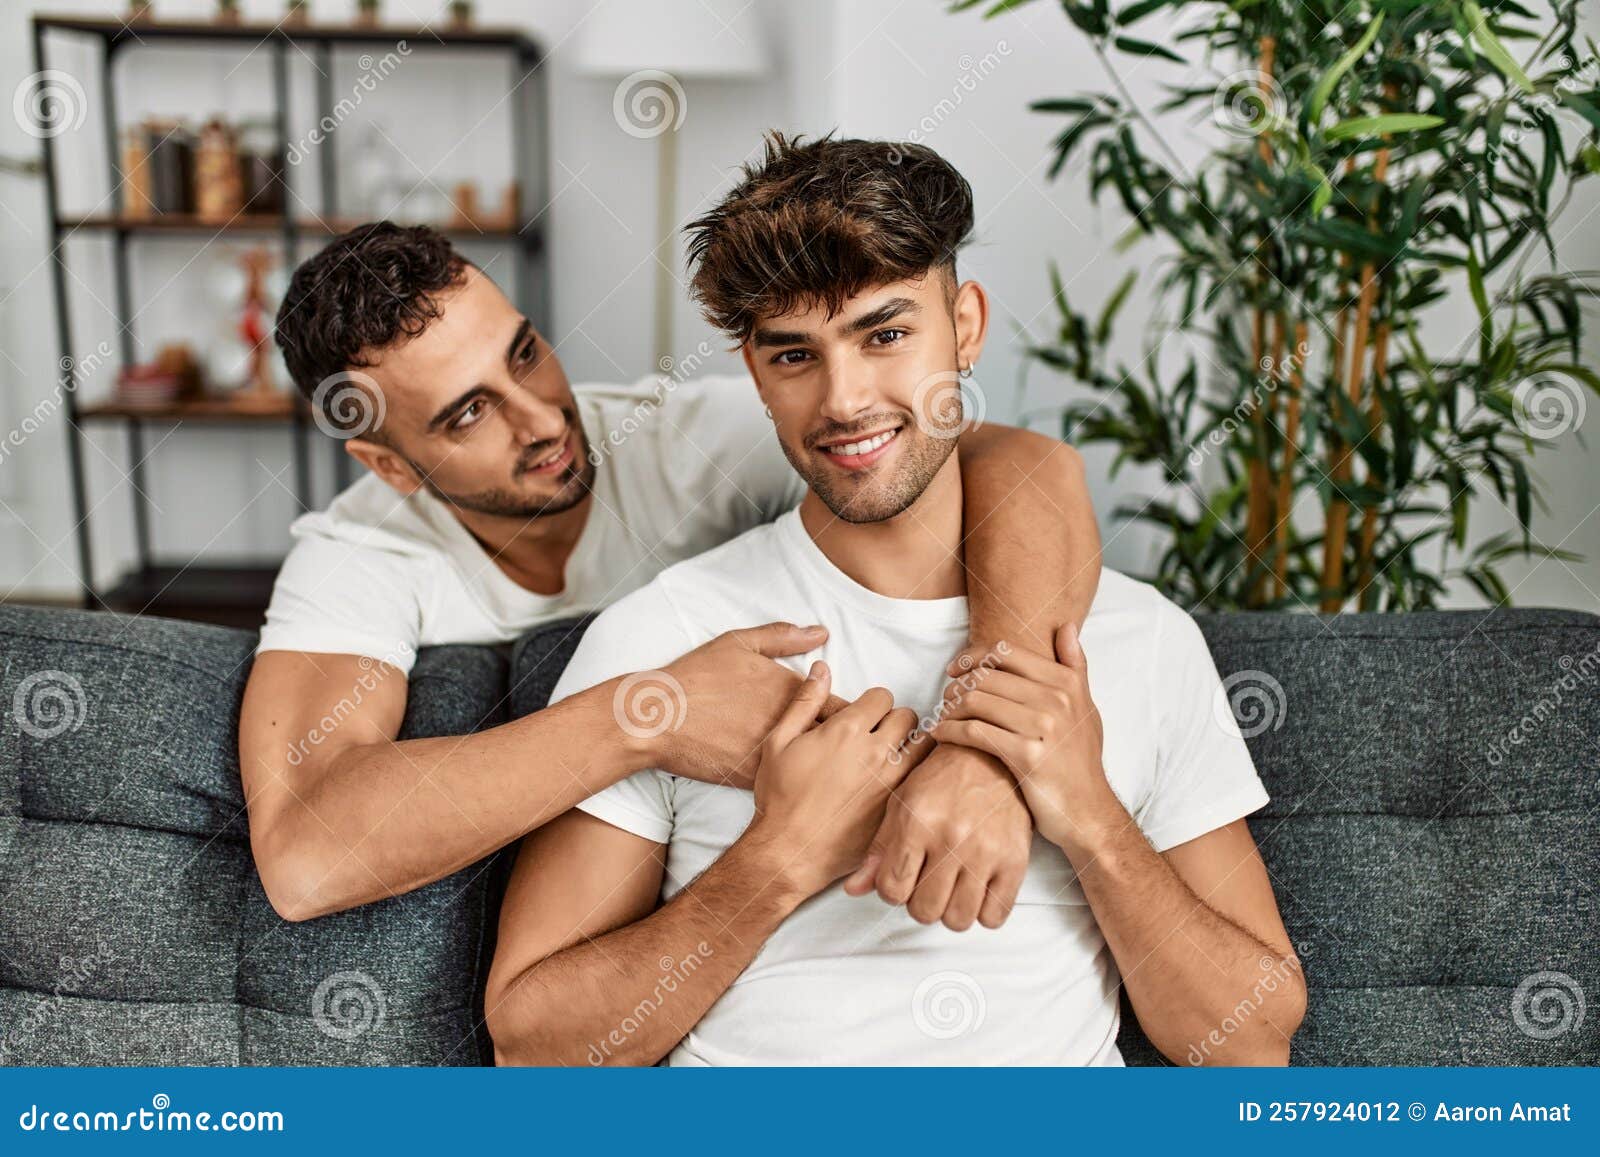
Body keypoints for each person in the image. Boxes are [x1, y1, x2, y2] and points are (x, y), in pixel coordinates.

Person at [484, 134, 1304, 1066]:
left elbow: (1251, 1045)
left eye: (885, 334)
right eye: (794, 355)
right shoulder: (671, 642)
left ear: (966, 326)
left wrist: (1086, 813)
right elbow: (534, 1046)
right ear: (755, 374)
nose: (845, 399)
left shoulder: (1140, 639)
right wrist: (775, 861)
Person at [239, 220, 1101, 925]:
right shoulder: (360, 554)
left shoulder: (678, 441)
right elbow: (305, 856)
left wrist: (991, 741)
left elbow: (1021, 466)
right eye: (470, 412)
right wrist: (644, 716)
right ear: (389, 464)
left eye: (525, 353)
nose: (542, 418)